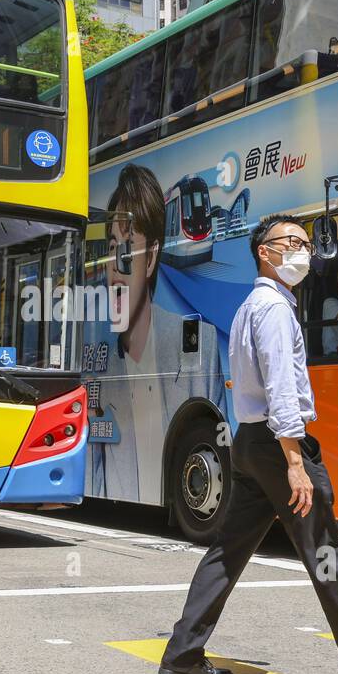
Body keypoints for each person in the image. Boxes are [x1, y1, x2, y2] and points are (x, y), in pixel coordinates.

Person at [158, 214, 338, 674]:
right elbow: (281, 389)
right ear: (266, 251)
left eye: (307, 243)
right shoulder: (275, 311)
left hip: (250, 442)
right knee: (324, 551)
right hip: (278, 446)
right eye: (293, 242)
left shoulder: (251, 306)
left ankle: (182, 654)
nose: (304, 251)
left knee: (227, 552)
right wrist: (295, 463)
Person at [88, 164, 226, 505]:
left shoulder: (200, 346)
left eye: (127, 251)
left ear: (150, 260)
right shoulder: (94, 363)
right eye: (110, 249)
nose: (115, 271)